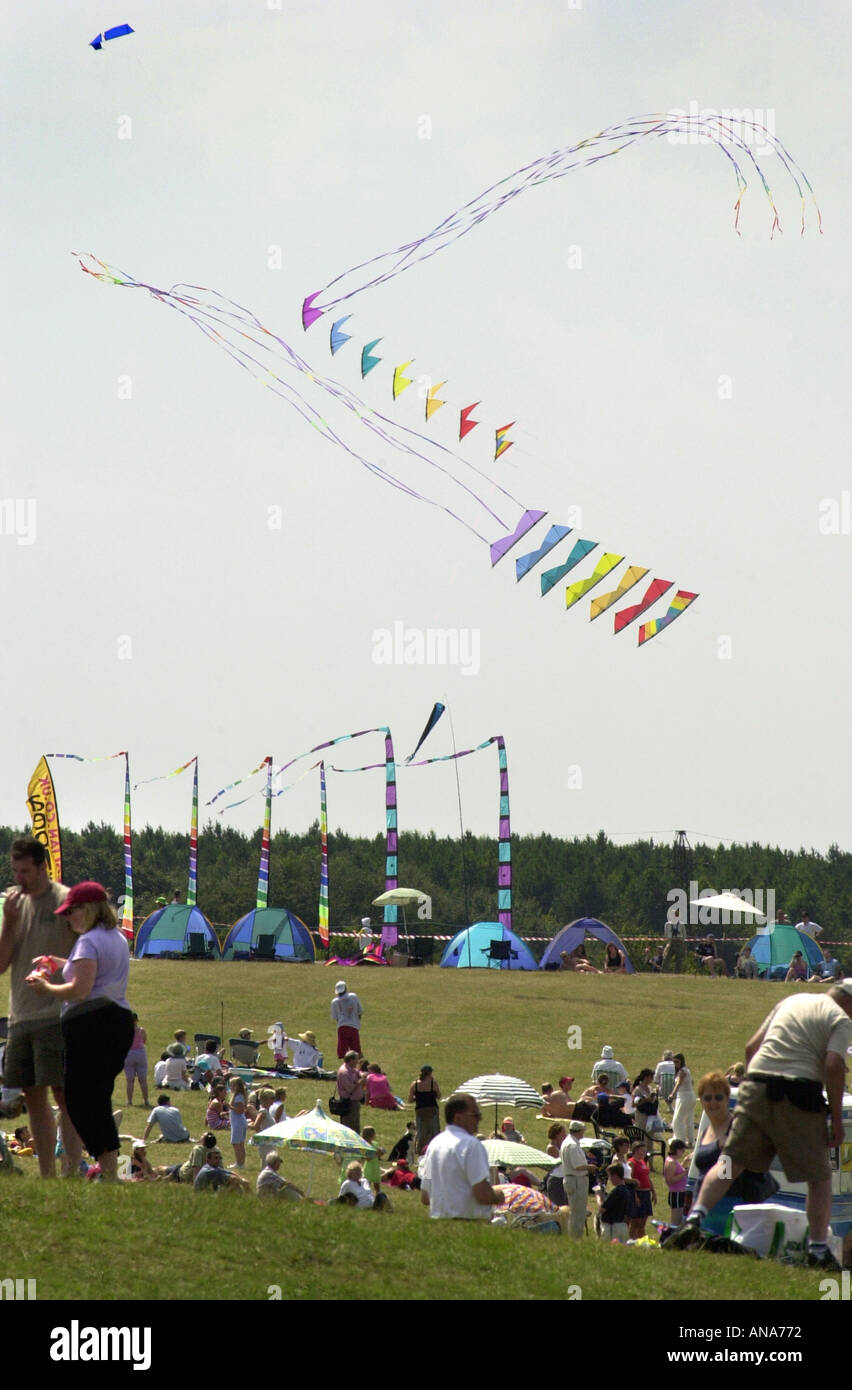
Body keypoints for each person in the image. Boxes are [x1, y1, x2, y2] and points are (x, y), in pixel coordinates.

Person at [667, 982, 852, 1270]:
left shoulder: (790, 1002)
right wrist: (837, 1120)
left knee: (730, 1162)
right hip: (799, 1095)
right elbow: (833, 1066)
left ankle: (693, 1220)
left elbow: (752, 1047)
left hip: (757, 1087)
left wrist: (755, 1087)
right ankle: (817, 1249)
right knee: (819, 1177)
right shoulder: (839, 1019)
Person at [25, 879, 132, 1181]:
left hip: (91, 1025)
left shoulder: (88, 941)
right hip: (117, 1022)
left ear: (87, 909)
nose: (67, 918)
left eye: (71, 912)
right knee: (97, 1098)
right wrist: (60, 963)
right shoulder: (115, 937)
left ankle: (108, 1167)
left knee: (80, 1101)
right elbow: (91, 971)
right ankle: (110, 1170)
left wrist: (46, 987)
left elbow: (81, 989)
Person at [0, 837, 84, 1178]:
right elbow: (2, 963)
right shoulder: (13, 903)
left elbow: (85, 957)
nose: (19, 878)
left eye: (26, 871)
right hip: (20, 1015)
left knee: (65, 1097)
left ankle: (71, 1170)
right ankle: (48, 1174)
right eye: (15, 871)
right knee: (33, 1098)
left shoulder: (65, 901)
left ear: (41, 867)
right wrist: (8, 921)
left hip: (58, 1013)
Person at [419, 1093, 506, 1220]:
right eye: (475, 1115)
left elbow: (425, 1197)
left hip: (438, 1225)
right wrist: (498, 1195)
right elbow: (482, 1195)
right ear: (458, 1117)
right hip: (469, 1225)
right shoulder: (472, 1145)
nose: (479, 1119)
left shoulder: (434, 1145)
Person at [558, 1118, 589, 1238]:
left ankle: (574, 1236)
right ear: (578, 1131)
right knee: (578, 1213)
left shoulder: (568, 1142)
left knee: (575, 1212)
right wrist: (590, 1167)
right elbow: (578, 1166)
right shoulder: (572, 1145)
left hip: (572, 1179)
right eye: (582, 1130)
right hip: (576, 1180)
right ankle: (575, 1238)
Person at [627, 1139, 657, 1239]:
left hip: (646, 1193)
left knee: (643, 1220)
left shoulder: (643, 1162)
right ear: (635, 1150)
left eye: (645, 1151)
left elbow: (647, 1177)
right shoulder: (631, 1163)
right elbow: (631, 1181)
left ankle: (641, 1238)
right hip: (638, 1193)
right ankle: (632, 1239)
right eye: (642, 1151)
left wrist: (653, 1191)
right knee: (636, 1221)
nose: (644, 1153)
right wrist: (635, 1196)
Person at [408, 1064, 441, 1154]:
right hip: (432, 1109)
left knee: (421, 1132)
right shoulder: (433, 1083)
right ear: (430, 1073)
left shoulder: (414, 1084)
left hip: (420, 1110)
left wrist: (418, 1097)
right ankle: (436, 1149)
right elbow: (439, 1096)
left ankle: (420, 1150)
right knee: (434, 1130)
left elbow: (410, 1100)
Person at [597, 1163, 633, 1242]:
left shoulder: (617, 1191)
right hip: (622, 1226)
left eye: (610, 1176)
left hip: (612, 1228)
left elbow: (602, 1208)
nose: (609, 1179)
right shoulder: (627, 1191)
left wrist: (599, 1196)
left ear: (616, 1176)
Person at [331, 980, 363, 1059]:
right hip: (353, 1026)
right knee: (356, 1049)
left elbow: (335, 1017)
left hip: (342, 1027)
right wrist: (357, 1022)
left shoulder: (334, 1002)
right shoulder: (353, 996)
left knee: (344, 1051)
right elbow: (360, 1011)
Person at [669, 1053, 696, 1145]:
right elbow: (692, 1082)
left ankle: (680, 1141)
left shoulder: (682, 1071)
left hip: (684, 1097)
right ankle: (690, 1141)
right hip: (690, 1096)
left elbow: (678, 1083)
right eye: (674, 1062)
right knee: (689, 1119)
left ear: (681, 1061)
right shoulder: (686, 1070)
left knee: (677, 1120)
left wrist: (672, 1094)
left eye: (677, 1062)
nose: (675, 1064)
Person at [336, 1050, 365, 1135]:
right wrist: (359, 1082)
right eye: (356, 1059)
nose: (358, 1061)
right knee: (349, 1127)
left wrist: (362, 1074)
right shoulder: (344, 1072)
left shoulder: (351, 1069)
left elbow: (357, 1071)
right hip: (348, 1103)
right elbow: (349, 1088)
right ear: (351, 1060)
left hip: (355, 1102)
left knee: (356, 1126)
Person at [124, 1013, 149, 1107]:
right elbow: (144, 1040)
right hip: (140, 1053)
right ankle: (146, 1100)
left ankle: (129, 1101)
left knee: (129, 1080)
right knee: (143, 1080)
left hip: (128, 1054)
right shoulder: (141, 1030)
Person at [663, 1139, 690, 1227]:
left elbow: (677, 1171)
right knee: (676, 1222)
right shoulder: (671, 1162)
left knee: (679, 1220)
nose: (683, 1153)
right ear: (677, 1150)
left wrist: (685, 1161)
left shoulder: (673, 1161)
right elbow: (670, 1180)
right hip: (676, 1193)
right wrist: (685, 1173)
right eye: (682, 1151)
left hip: (679, 1193)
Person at [545, 1122, 567, 1206]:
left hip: (563, 1179)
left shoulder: (561, 1145)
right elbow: (562, 1161)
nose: (565, 1135)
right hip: (556, 1181)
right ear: (557, 1134)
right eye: (563, 1133)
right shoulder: (551, 1148)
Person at [228, 1075, 249, 1167]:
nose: (230, 1087)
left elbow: (240, 1110)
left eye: (231, 1085)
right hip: (239, 1121)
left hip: (238, 1122)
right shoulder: (239, 1096)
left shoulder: (238, 1097)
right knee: (240, 1143)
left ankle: (239, 1163)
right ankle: (241, 1162)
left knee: (236, 1143)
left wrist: (229, 1107)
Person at [662, 908, 686, 973]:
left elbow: (684, 935)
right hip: (670, 942)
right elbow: (666, 934)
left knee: (679, 959)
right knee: (666, 958)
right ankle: (664, 972)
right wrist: (670, 939)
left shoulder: (681, 924)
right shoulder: (667, 924)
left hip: (679, 943)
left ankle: (677, 973)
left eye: (676, 915)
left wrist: (680, 940)